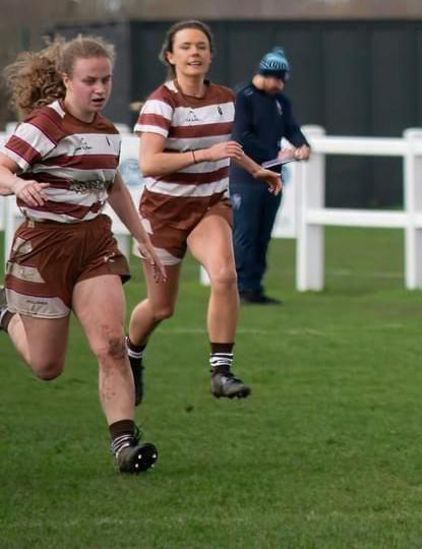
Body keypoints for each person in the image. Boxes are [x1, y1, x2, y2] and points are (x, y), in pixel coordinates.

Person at [0, 35, 167, 473]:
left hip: (94, 244)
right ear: (65, 80)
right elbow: (1, 168)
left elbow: (114, 187)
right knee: (47, 367)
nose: (99, 89)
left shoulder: (108, 133)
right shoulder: (41, 126)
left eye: (106, 79)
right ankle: (5, 312)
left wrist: (144, 239)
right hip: (43, 248)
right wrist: (18, 185)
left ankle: (125, 444)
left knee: (112, 344)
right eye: (90, 80)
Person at [126, 20, 282, 405]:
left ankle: (221, 372)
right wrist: (202, 155)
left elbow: (229, 147)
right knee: (162, 307)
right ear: (170, 56)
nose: (194, 53)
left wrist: (256, 169)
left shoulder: (226, 98)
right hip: (163, 213)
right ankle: (131, 354)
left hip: (209, 204)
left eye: (201, 47)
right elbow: (149, 163)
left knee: (226, 275)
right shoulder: (161, 103)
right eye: (186, 47)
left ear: (211, 55)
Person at [231, 47, 310, 305]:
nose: (280, 85)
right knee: (245, 233)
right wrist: (275, 151)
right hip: (245, 177)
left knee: (263, 235)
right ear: (266, 74)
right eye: (277, 79)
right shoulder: (243, 98)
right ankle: (240, 287)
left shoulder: (281, 102)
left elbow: (291, 128)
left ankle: (254, 287)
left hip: (272, 178)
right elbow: (242, 137)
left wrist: (302, 145)